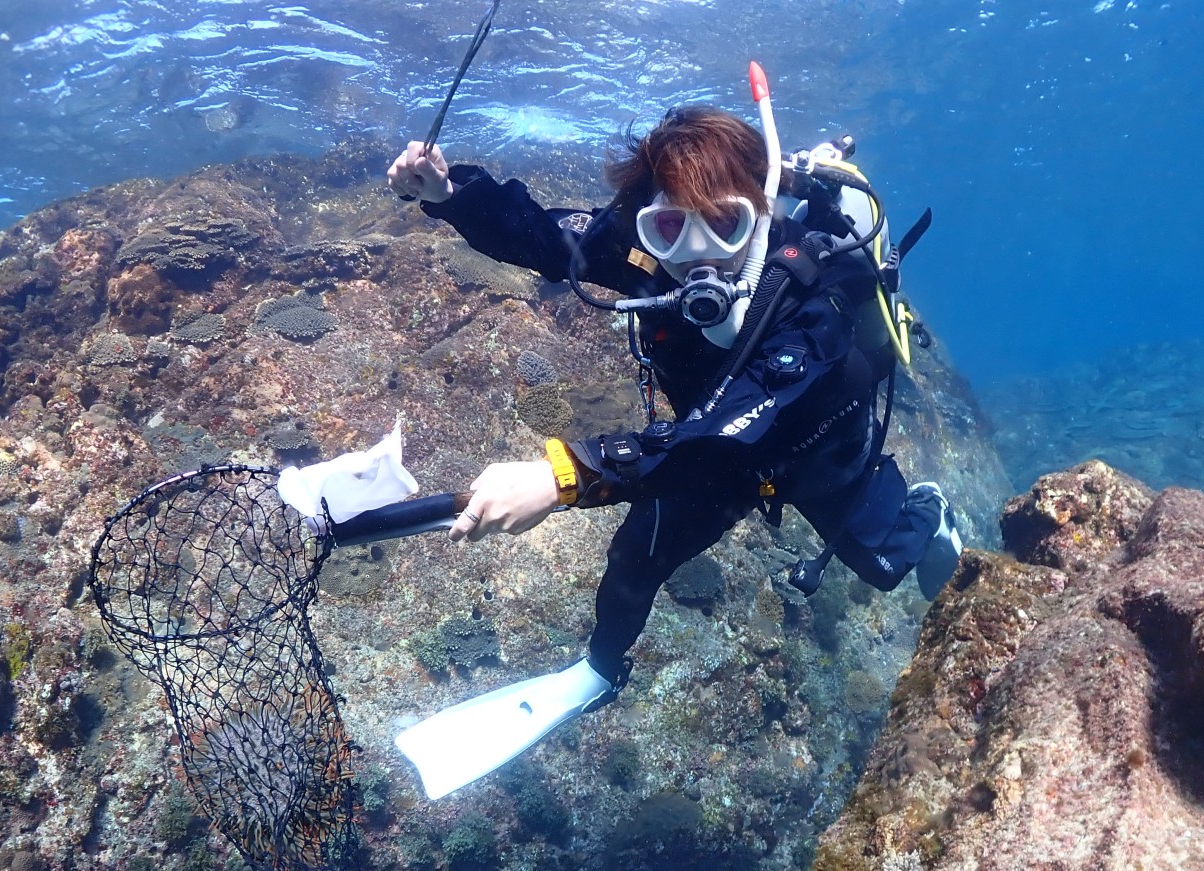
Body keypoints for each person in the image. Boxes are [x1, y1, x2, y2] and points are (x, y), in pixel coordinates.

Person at [386, 104, 962, 800]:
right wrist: (452, 195)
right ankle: (596, 671)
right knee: (635, 558)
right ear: (646, 218)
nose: (693, 252)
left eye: (724, 224)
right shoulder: (640, 249)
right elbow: (543, 238)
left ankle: (927, 515)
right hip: (699, 451)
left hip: (811, 448)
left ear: (762, 211)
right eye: (668, 226)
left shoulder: (816, 290)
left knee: (879, 565)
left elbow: (730, 429)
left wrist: (561, 476)